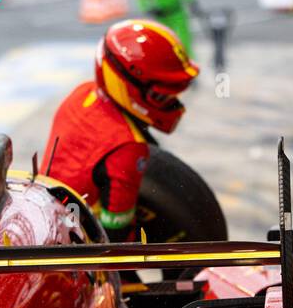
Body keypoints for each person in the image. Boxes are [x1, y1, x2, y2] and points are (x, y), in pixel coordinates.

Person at [44, 20, 199, 242]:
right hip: (76, 239)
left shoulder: (82, 92)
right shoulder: (128, 149)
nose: (172, 103)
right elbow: (115, 231)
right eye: (162, 96)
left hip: (49, 204)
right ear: (125, 84)